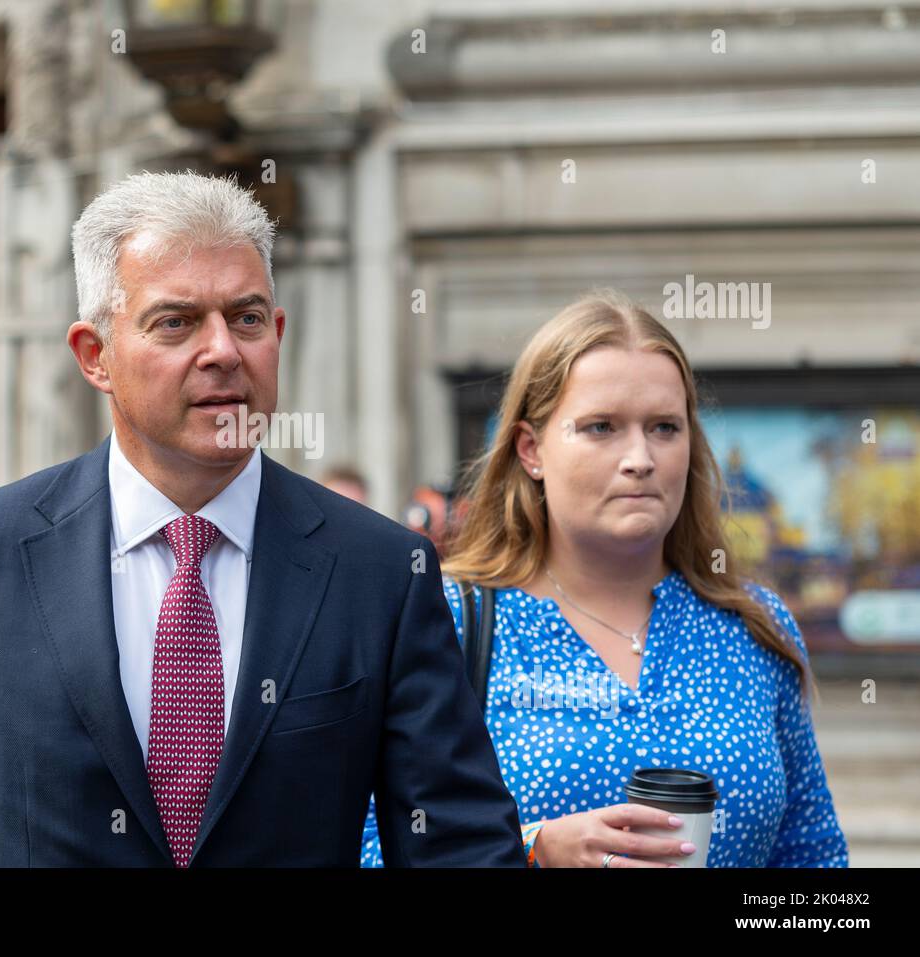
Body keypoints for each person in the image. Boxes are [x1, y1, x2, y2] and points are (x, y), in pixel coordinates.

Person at [0, 171, 525, 867]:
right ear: (96, 355)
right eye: (175, 323)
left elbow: (455, 842)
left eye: (246, 319)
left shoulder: (379, 572)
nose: (223, 352)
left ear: (278, 332)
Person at [360, 288, 848, 868]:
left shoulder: (754, 627)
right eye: (601, 427)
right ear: (531, 449)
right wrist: (530, 852)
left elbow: (815, 868)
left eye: (664, 427)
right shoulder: (445, 618)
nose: (639, 457)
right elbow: (362, 846)